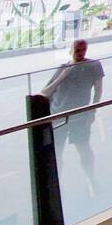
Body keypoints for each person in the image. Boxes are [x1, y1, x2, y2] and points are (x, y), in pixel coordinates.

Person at [40, 39, 104, 195]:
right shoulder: (64, 68)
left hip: (79, 115)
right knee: (58, 151)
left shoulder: (94, 65)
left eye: (83, 49)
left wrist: (92, 112)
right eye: (77, 50)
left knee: (83, 147)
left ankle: (91, 177)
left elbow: (98, 91)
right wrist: (62, 77)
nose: (80, 53)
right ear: (71, 50)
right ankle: (57, 183)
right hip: (58, 115)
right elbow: (45, 92)